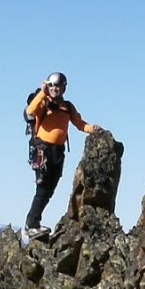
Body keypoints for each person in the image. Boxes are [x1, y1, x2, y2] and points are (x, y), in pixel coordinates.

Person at [24, 71, 101, 239]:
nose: (55, 89)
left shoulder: (68, 107)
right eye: (52, 86)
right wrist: (42, 93)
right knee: (43, 188)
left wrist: (91, 129)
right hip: (42, 151)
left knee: (50, 189)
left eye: (58, 86)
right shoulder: (43, 102)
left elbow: (79, 123)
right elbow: (30, 110)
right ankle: (31, 225)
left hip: (57, 152)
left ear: (64, 87)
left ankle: (34, 224)